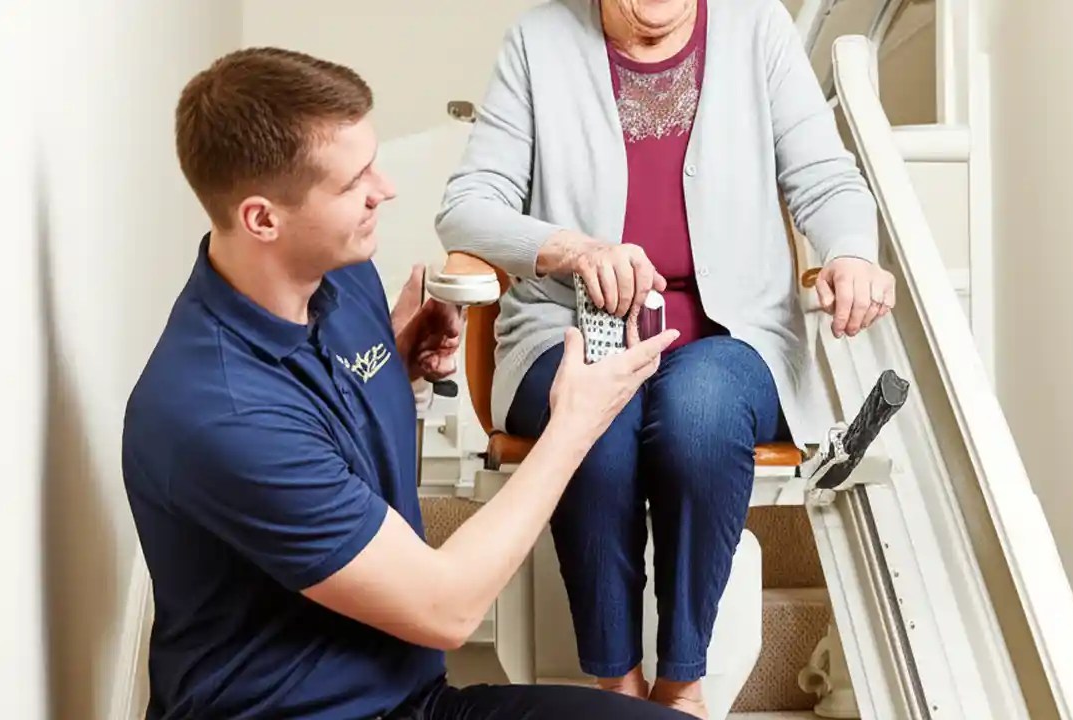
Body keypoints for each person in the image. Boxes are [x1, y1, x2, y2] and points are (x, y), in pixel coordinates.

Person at [122, 47, 687, 720]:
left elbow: (326, 435)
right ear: (262, 219)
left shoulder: (338, 275)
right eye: (353, 180)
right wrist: (574, 423)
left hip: (412, 698)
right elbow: (447, 607)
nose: (383, 188)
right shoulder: (218, 411)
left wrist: (391, 365)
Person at [436, 0, 897, 716]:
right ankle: (616, 686)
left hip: (730, 337)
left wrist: (850, 254)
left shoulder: (757, 28)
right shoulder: (538, 40)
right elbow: (467, 205)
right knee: (596, 419)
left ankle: (682, 685)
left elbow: (826, 179)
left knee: (700, 411)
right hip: (566, 325)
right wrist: (573, 249)